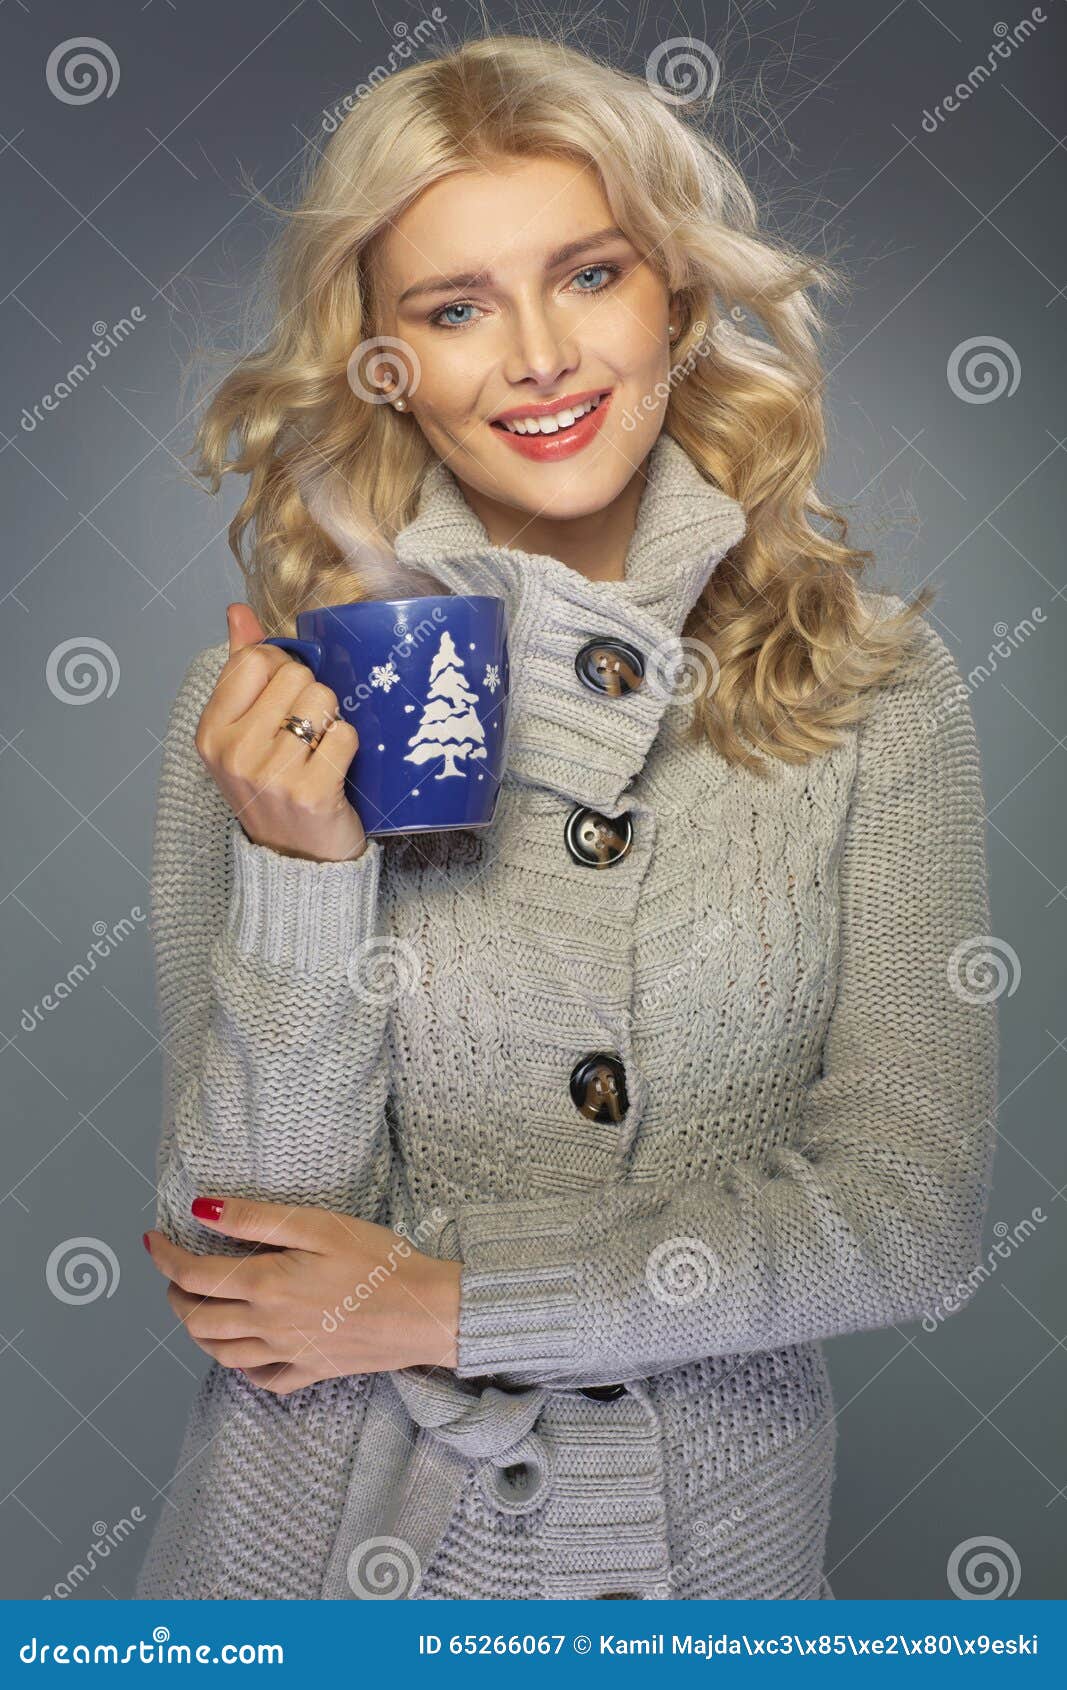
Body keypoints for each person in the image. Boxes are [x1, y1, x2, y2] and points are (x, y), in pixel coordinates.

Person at [136, 33, 998, 1601]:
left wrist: (452, 1305)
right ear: (379, 360)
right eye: (454, 309)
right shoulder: (275, 693)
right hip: (314, 1570)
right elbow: (243, 1251)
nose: (534, 355)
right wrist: (302, 878)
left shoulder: (874, 687)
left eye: (587, 274)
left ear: (674, 294)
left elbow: (910, 1218)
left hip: (696, 1565)